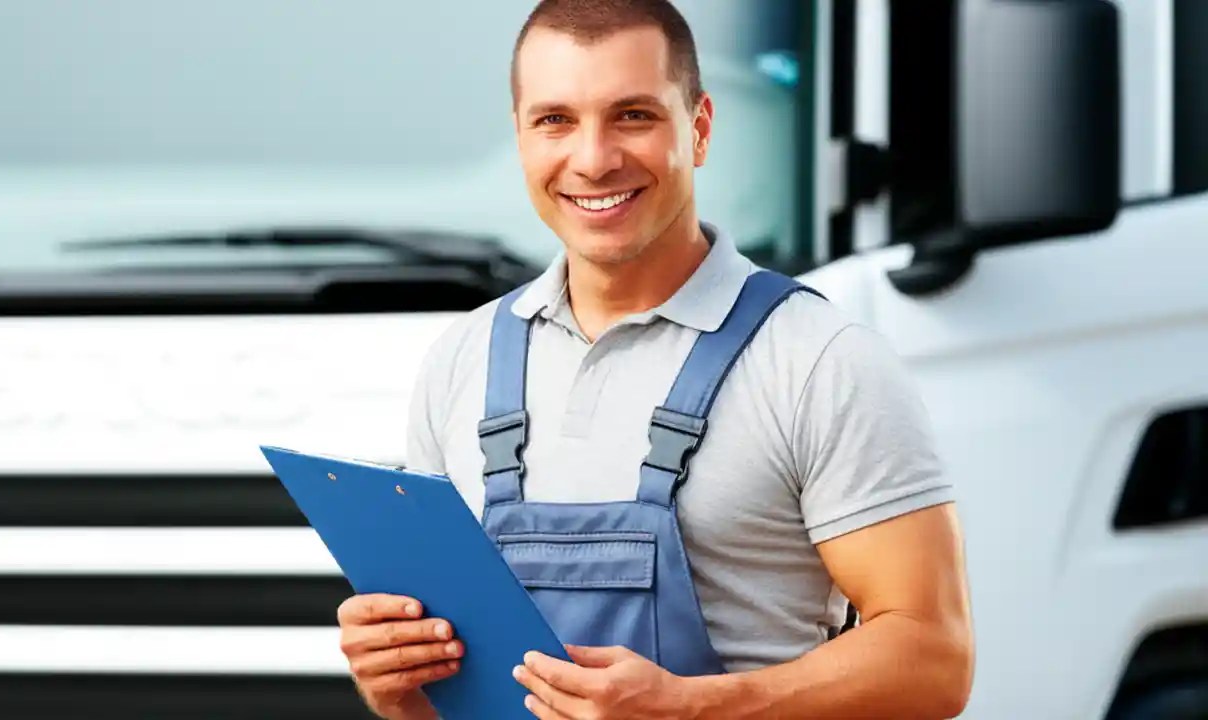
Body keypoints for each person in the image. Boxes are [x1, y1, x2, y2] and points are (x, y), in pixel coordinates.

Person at [337, 0, 975, 717]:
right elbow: (451, 697)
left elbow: (934, 657)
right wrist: (395, 684)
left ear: (698, 130)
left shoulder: (820, 360)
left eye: (633, 116)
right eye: (556, 120)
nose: (594, 158)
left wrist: (690, 708)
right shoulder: (463, 359)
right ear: (520, 136)